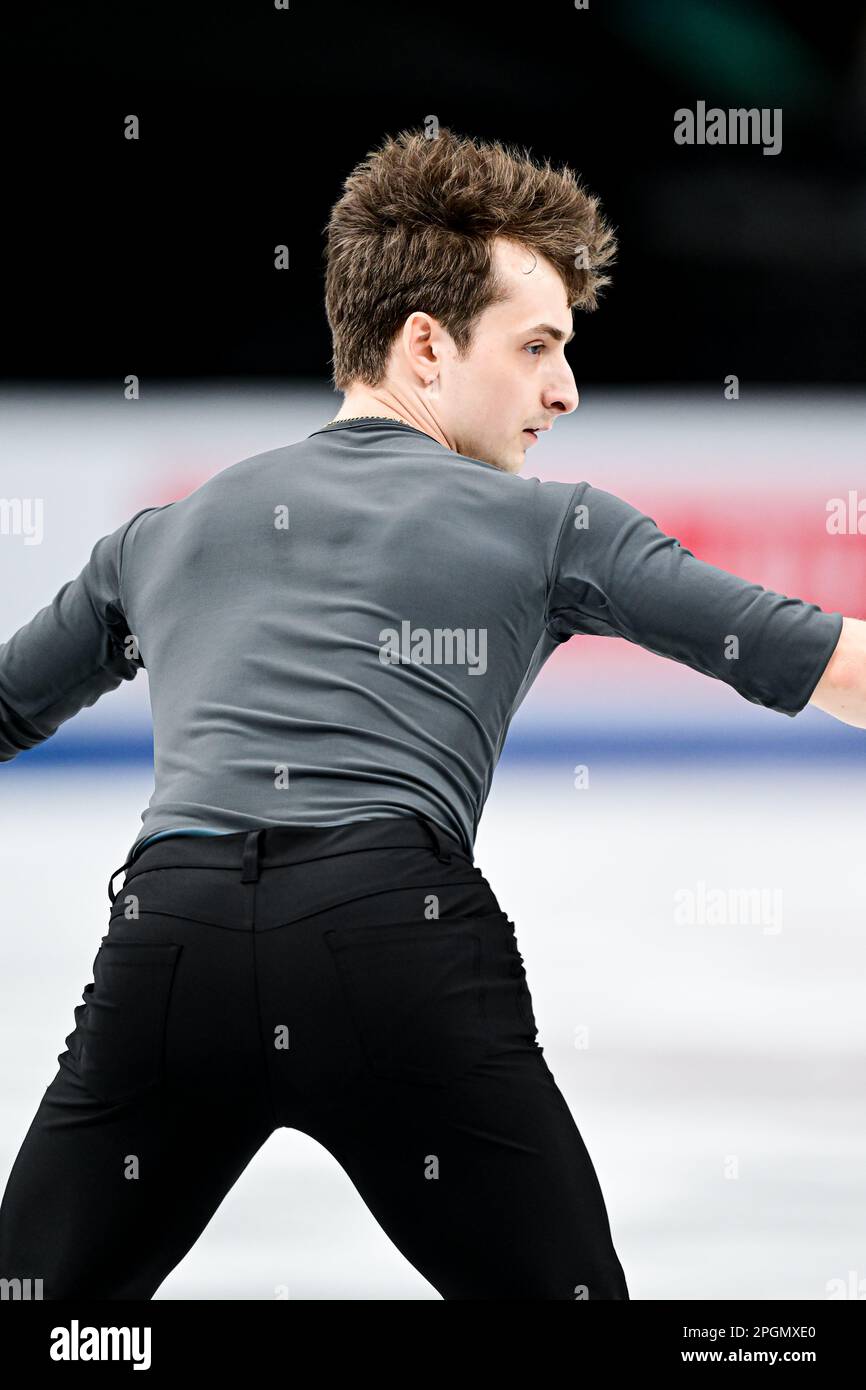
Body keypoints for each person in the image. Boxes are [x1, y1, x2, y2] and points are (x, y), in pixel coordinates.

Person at [0, 127, 863, 1302]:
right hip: (389, 942)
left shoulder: (162, 532)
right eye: (538, 345)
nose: (564, 388)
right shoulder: (555, 524)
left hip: (170, 947)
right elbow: (819, 660)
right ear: (423, 345)